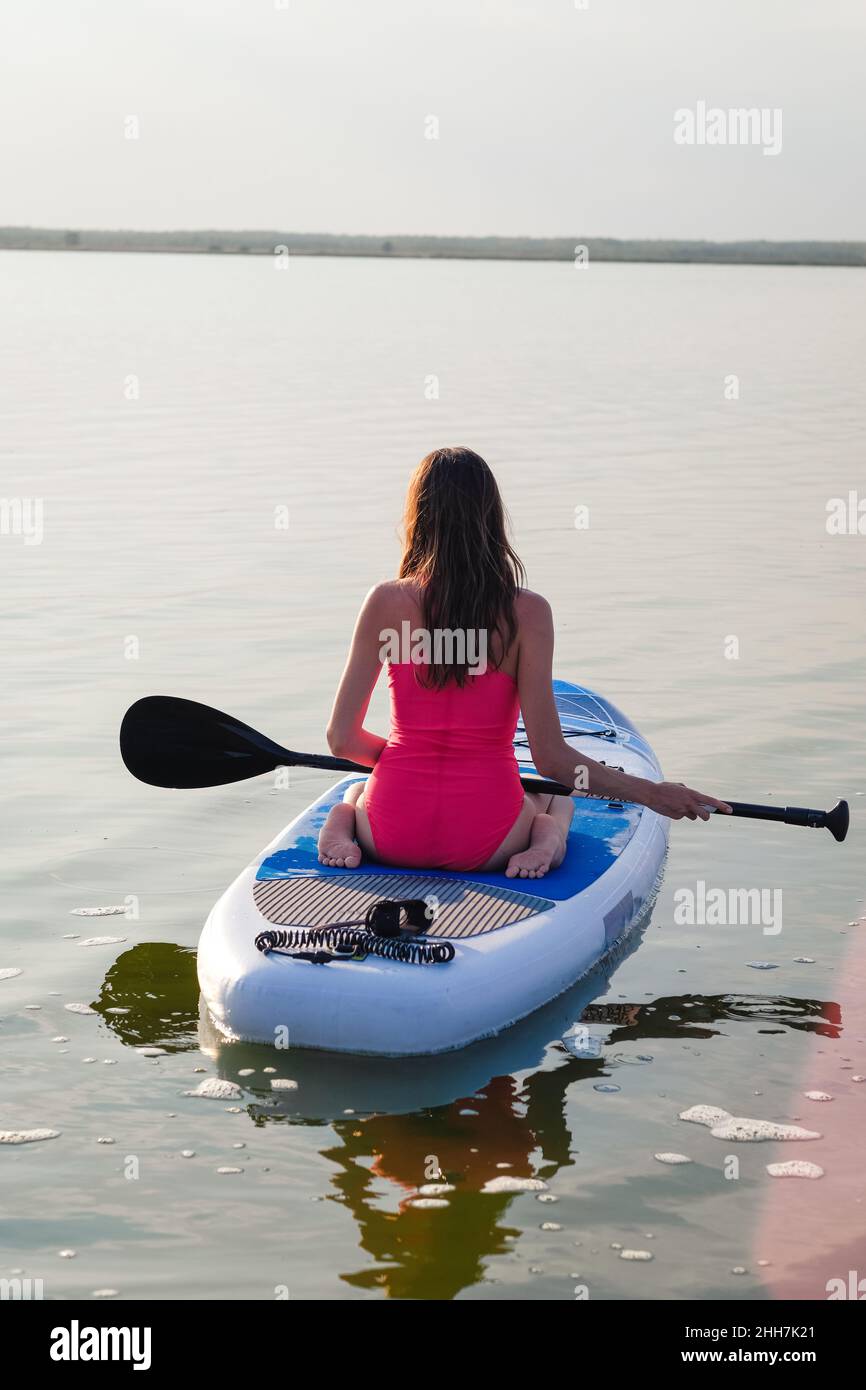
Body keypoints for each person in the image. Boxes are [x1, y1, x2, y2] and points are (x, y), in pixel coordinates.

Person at [317, 446, 730, 879]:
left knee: (359, 788)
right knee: (556, 799)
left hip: (389, 832)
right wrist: (650, 792)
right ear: (490, 517)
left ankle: (341, 826)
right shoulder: (528, 612)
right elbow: (552, 762)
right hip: (484, 839)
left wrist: (406, 760)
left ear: (418, 516)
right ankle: (545, 840)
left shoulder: (385, 601)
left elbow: (342, 741)